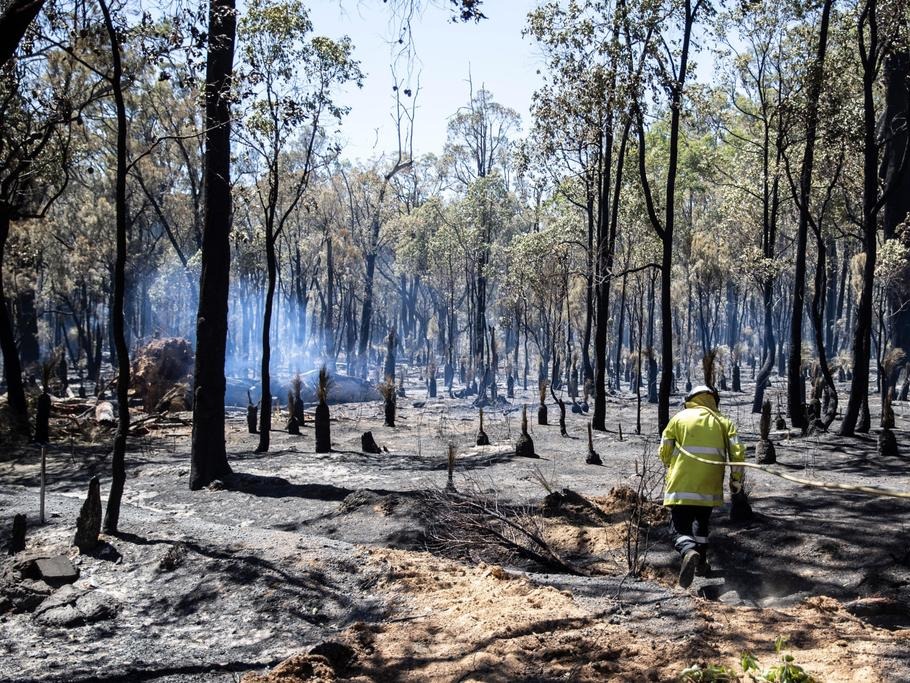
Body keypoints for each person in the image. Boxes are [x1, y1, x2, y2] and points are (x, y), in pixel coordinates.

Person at [658, 385, 746, 588]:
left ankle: (688, 551)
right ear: (713, 399)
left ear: (691, 398)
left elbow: (665, 450)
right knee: (701, 524)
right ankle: (701, 564)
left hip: (681, 484)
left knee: (679, 527)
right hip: (709, 486)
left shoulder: (679, 418)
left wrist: (670, 464)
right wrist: (736, 479)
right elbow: (738, 452)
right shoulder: (723, 422)